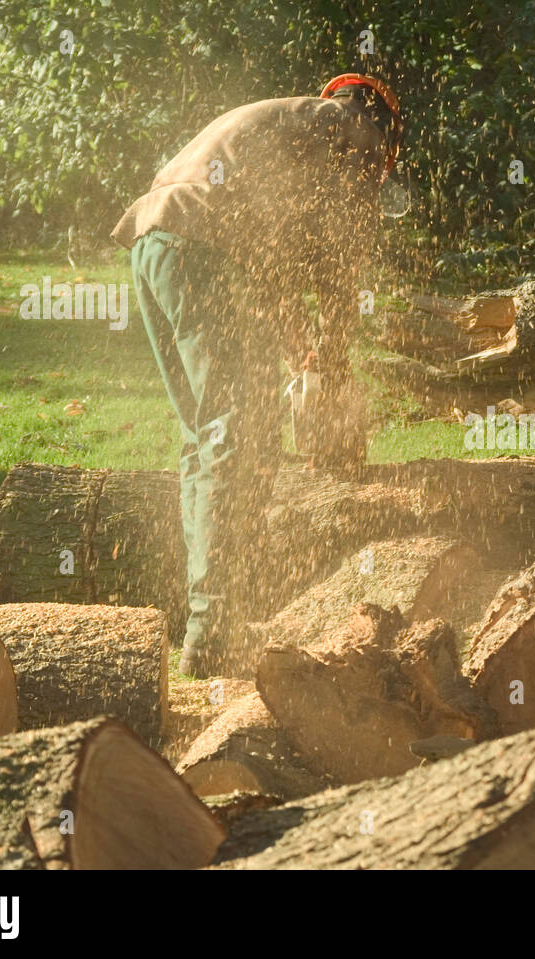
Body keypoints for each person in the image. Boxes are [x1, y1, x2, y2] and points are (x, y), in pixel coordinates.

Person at [110, 74, 403, 677]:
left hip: (152, 243)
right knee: (239, 433)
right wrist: (335, 356)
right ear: (380, 128)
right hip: (198, 249)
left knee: (206, 437)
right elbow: (335, 264)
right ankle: (215, 631)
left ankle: (207, 617)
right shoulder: (350, 133)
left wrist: (305, 349)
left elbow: (276, 257)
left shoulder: (292, 123)